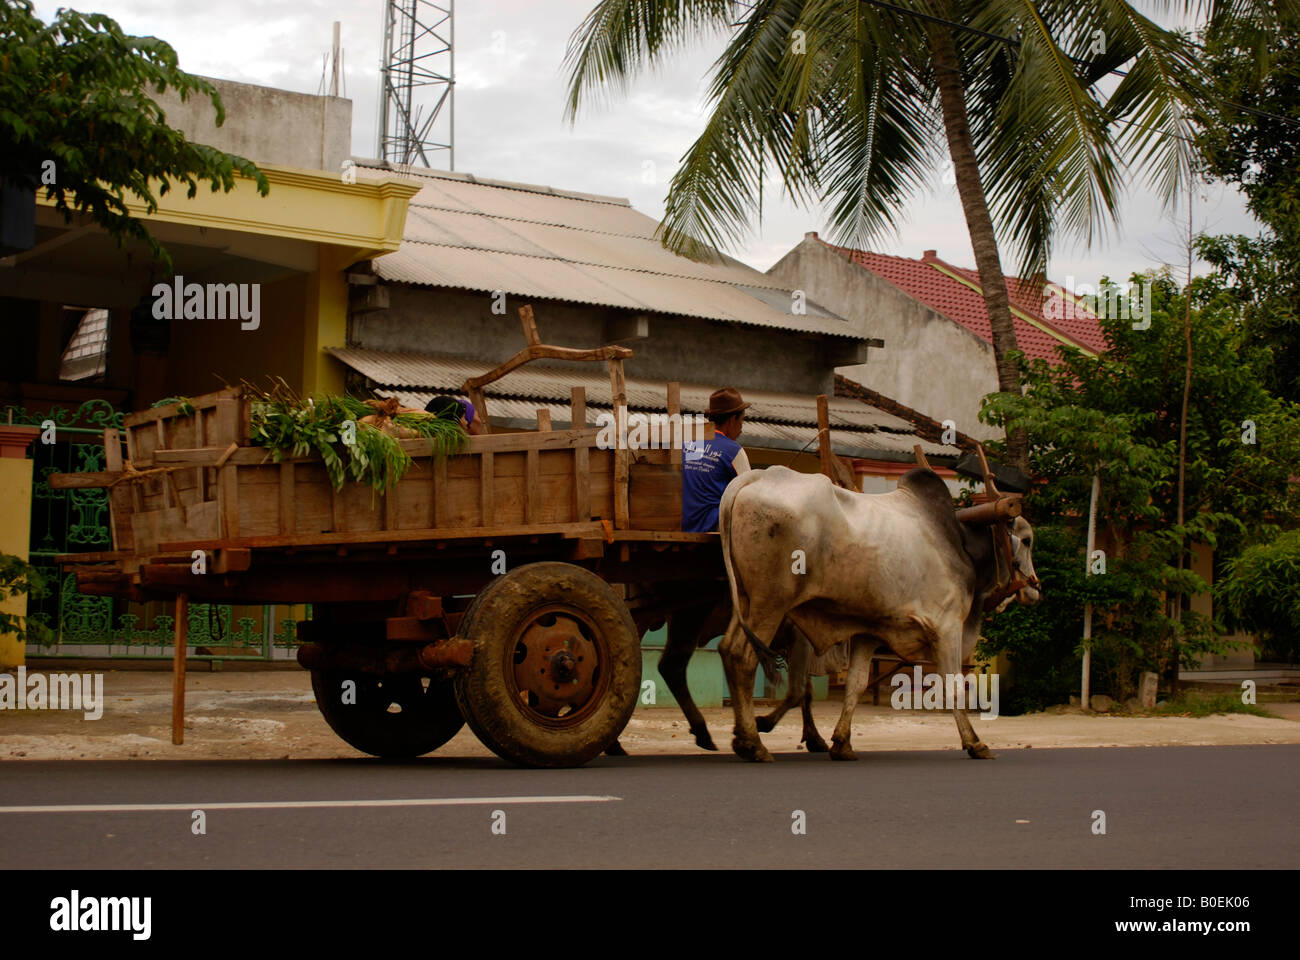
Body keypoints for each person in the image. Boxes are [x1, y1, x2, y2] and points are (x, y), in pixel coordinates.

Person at [681, 386, 752, 532]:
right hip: (714, 527)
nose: (741, 428)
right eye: (741, 421)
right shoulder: (733, 450)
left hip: (682, 524)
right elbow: (752, 494)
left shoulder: (687, 443)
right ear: (732, 419)